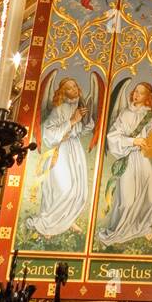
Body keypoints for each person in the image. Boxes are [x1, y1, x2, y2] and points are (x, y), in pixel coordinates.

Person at [97, 82, 152, 247]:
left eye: (141, 93)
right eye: (135, 91)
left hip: (143, 159)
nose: (136, 95)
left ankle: (142, 227)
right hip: (128, 157)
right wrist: (133, 141)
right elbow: (112, 137)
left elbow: (149, 133)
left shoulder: (149, 114)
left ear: (147, 97)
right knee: (127, 202)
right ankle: (117, 232)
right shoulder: (125, 114)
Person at [28, 78, 92, 239]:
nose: (75, 89)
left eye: (75, 85)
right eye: (70, 88)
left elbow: (80, 131)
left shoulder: (79, 107)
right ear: (64, 93)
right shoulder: (59, 109)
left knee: (79, 190)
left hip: (75, 151)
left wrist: (86, 122)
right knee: (64, 188)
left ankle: (67, 219)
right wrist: (72, 121)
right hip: (60, 151)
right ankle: (47, 224)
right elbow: (47, 133)